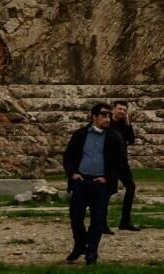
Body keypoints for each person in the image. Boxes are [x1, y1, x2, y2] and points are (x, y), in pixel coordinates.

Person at [59, 101, 121, 265]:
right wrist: (73, 173)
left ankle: (92, 251)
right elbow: (69, 156)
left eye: (108, 115)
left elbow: (119, 162)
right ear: (93, 117)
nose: (107, 119)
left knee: (98, 219)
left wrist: (107, 178)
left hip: (101, 183)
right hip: (82, 180)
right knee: (76, 216)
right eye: (103, 115)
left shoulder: (114, 137)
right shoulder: (80, 134)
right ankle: (80, 245)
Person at [109, 99, 140, 230]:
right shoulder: (107, 123)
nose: (122, 112)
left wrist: (128, 123)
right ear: (113, 109)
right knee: (107, 192)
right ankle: (101, 223)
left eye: (124, 110)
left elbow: (131, 140)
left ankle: (125, 221)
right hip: (109, 163)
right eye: (120, 109)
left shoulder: (124, 124)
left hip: (122, 163)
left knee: (131, 187)